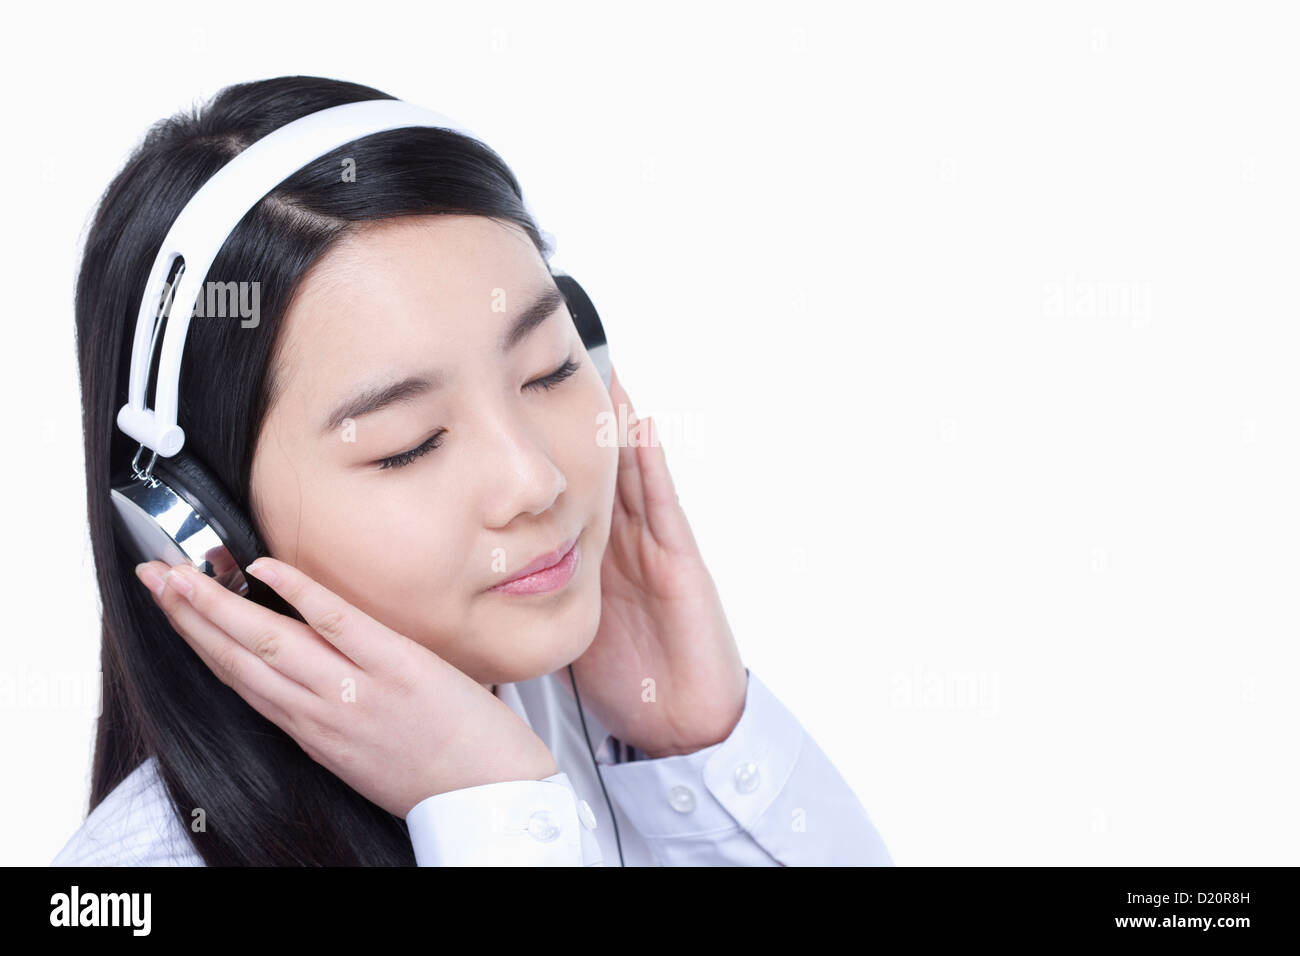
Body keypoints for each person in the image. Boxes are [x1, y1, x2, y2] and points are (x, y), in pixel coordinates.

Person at [52, 74, 894, 866]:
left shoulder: (608, 732)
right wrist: (495, 816)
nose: (535, 481)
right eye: (410, 443)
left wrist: (703, 751)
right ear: (199, 530)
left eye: (549, 372)